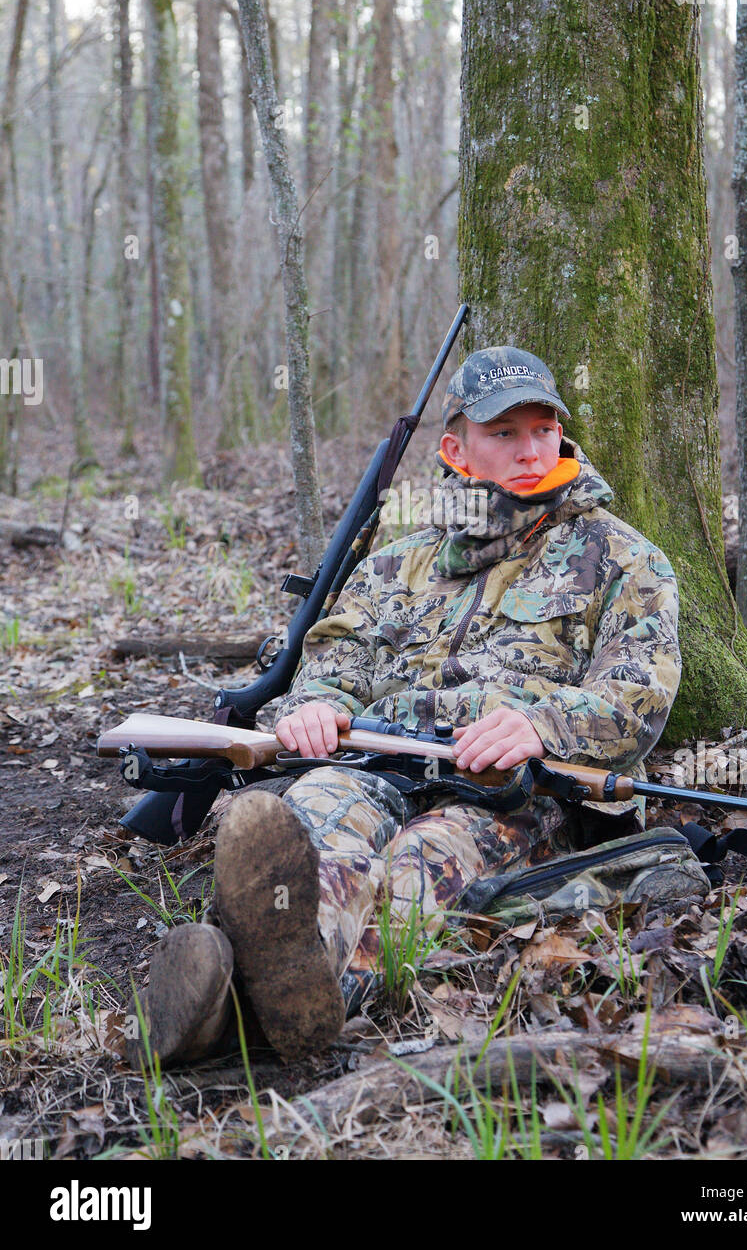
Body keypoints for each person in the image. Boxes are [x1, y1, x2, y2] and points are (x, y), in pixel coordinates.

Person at [127, 346, 681, 1068]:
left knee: (417, 869)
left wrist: (539, 724)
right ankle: (267, 988)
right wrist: (318, 703)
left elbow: (639, 692)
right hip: (373, 760)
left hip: (504, 792)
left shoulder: (624, 558)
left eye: (543, 428)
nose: (531, 449)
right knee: (310, 833)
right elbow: (337, 652)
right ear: (456, 449)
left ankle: (227, 1007)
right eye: (504, 433)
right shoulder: (401, 558)